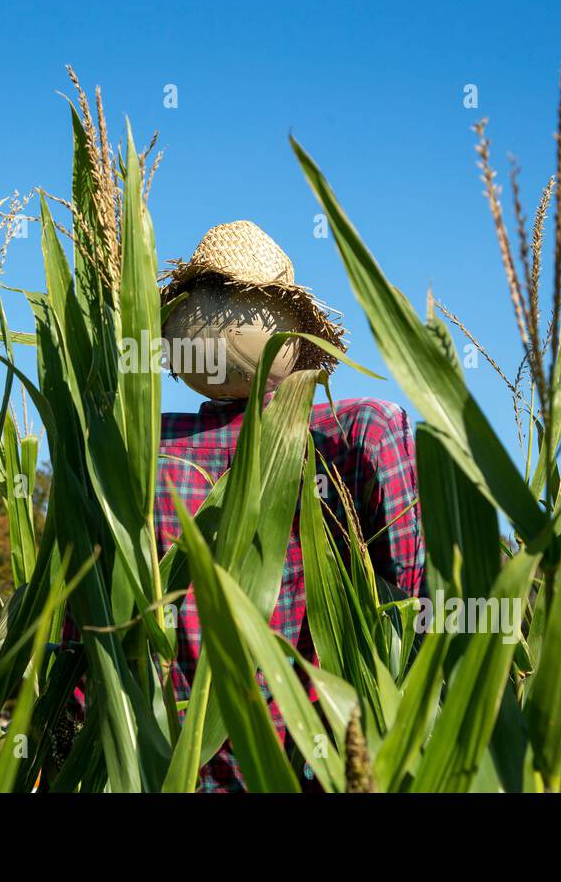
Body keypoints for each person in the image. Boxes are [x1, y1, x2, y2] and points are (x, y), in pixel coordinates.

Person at [157, 220, 424, 791]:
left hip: (173, 763)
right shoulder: (356, 431)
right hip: (315, 760)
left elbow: (87, 635)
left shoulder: (141, 448)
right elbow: (409, 596)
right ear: (297, 339)